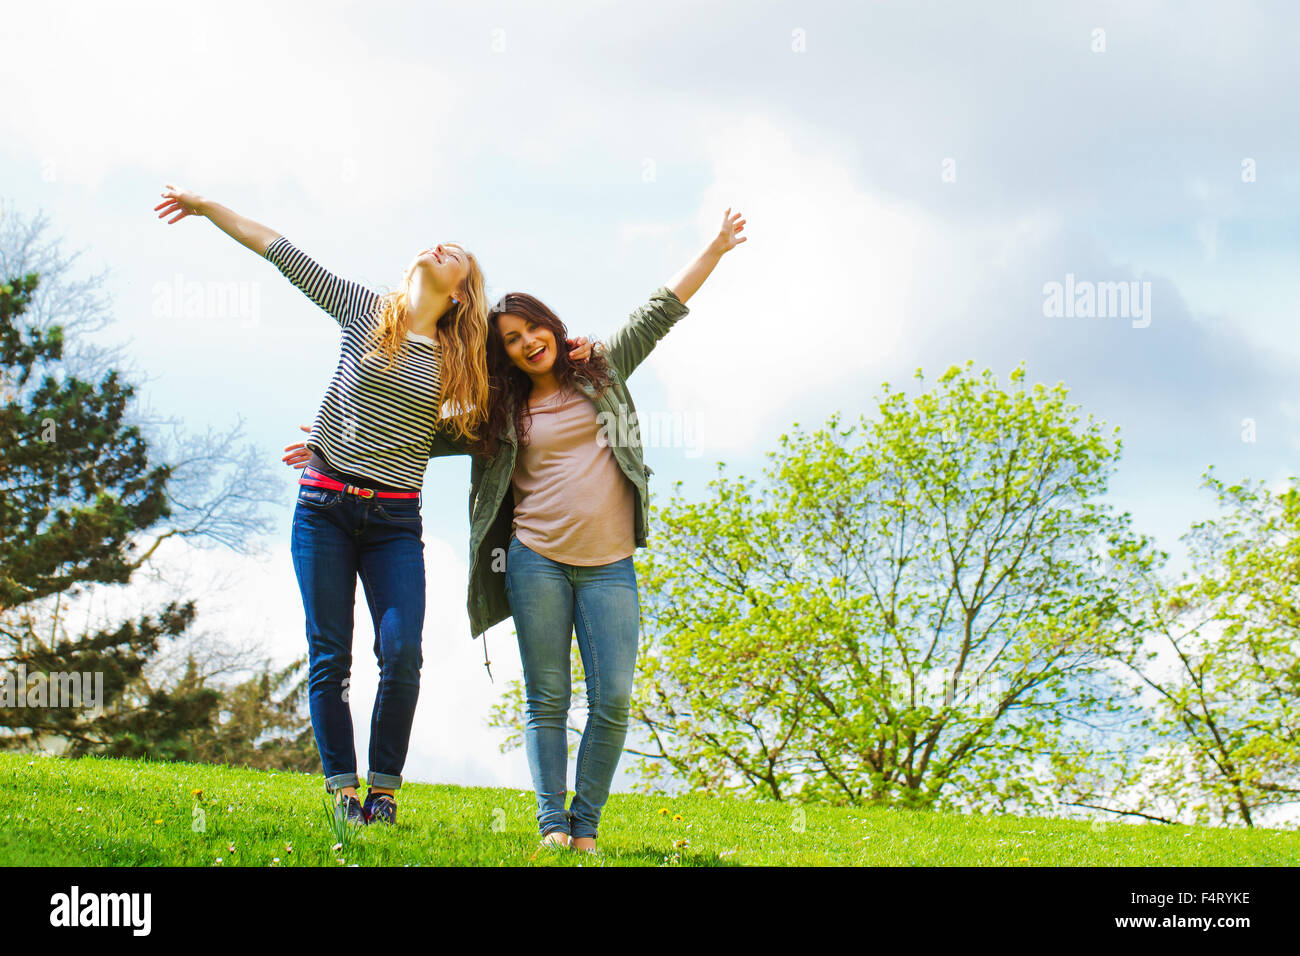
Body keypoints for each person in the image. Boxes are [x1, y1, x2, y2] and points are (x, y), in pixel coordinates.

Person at [285, 208, 746, 850]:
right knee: (547, 697)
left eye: (533, 328)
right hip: (534, 561)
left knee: (612, 699)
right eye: (511, 338)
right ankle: (554, 827)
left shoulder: (603, 371)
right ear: (500, 352)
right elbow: (412, 426)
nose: (527, 341)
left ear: (552, 328)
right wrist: (330, 440)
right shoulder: (495, 414)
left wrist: (717, 248)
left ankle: (587, 824)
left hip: (610, 563)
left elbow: (661, 307)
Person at [156, 183, 590, 825]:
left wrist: (584, 354)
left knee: (402, 651)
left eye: (457, 256)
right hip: (323, 508)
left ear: (460, 291)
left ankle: (383, 792)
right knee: (331, 653)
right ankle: (341, 793)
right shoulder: (361, 307)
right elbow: (273, 246)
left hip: (392, 521)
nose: (441, 247)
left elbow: (531, 362)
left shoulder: (461, 354)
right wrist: (204, 206)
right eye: (439, 245)